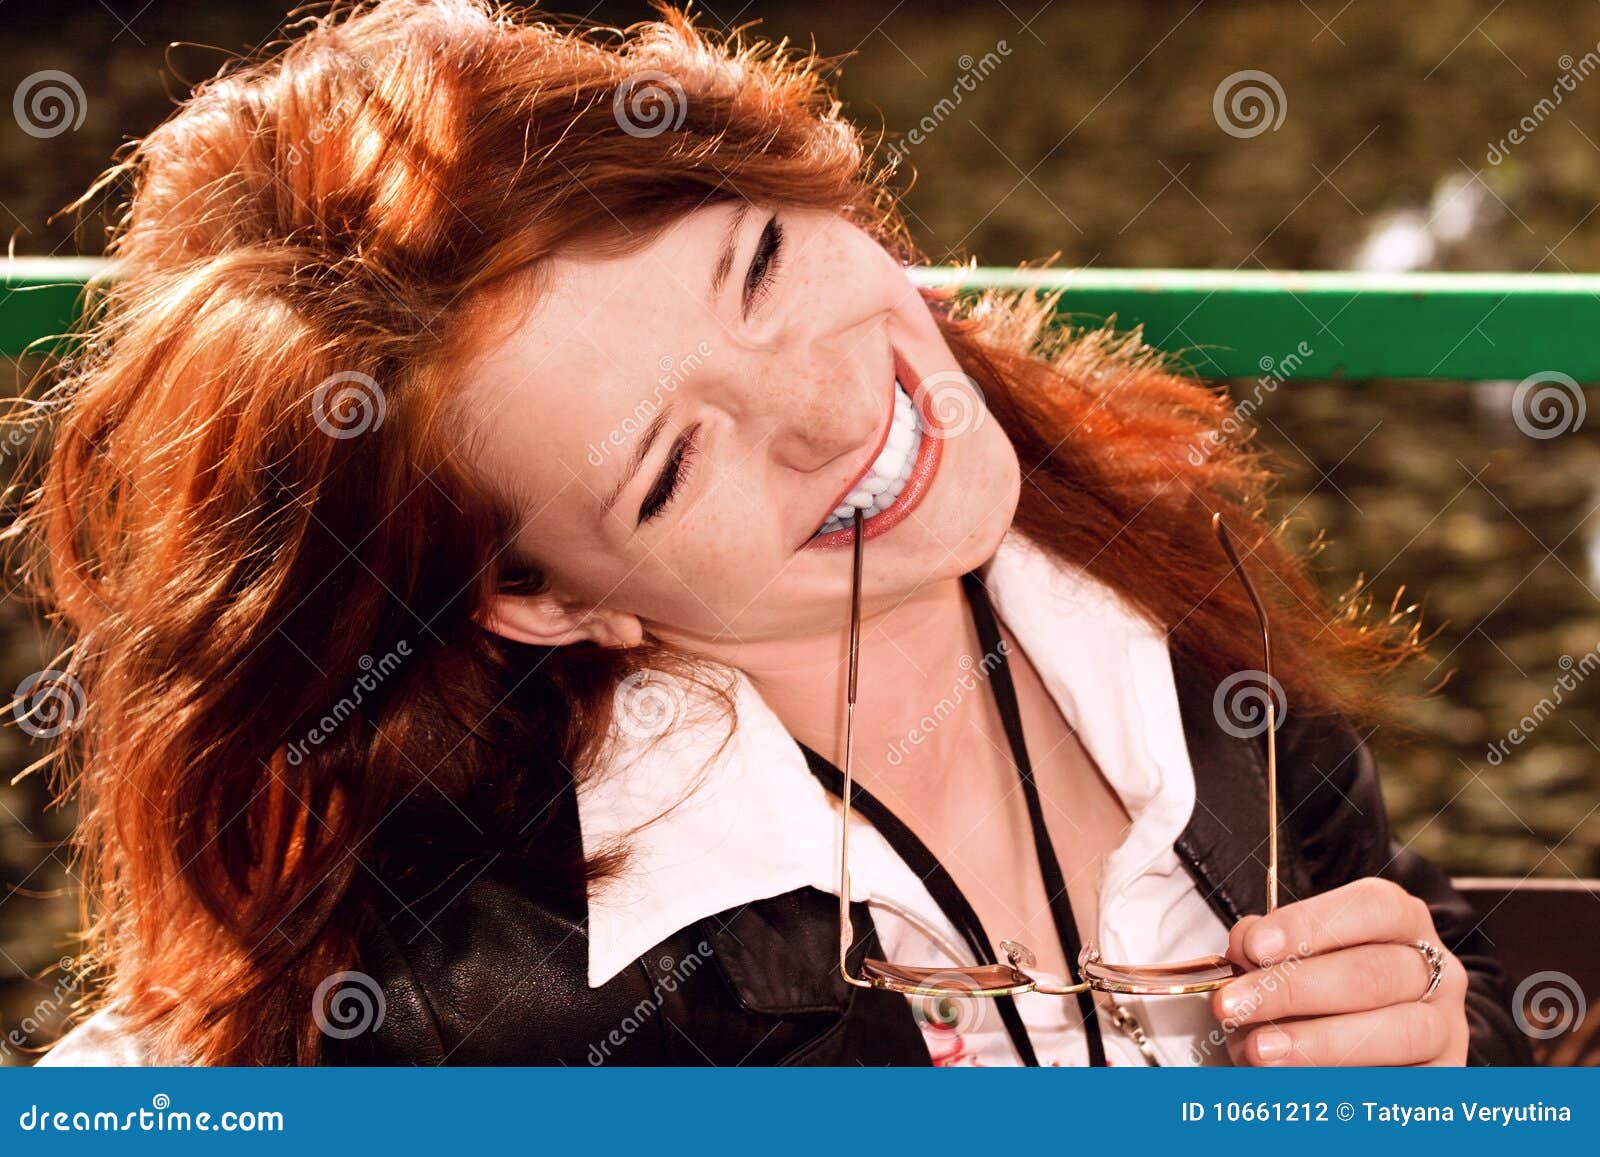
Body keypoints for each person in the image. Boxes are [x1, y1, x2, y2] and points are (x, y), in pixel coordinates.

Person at [23, 0, 1527, 1067]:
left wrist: (1427, 1037)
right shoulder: (512, 1010)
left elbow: (1417, 937)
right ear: (545, 601)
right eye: (669, 463)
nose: (829, 406)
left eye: (755, 265)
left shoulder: (1157, 550)